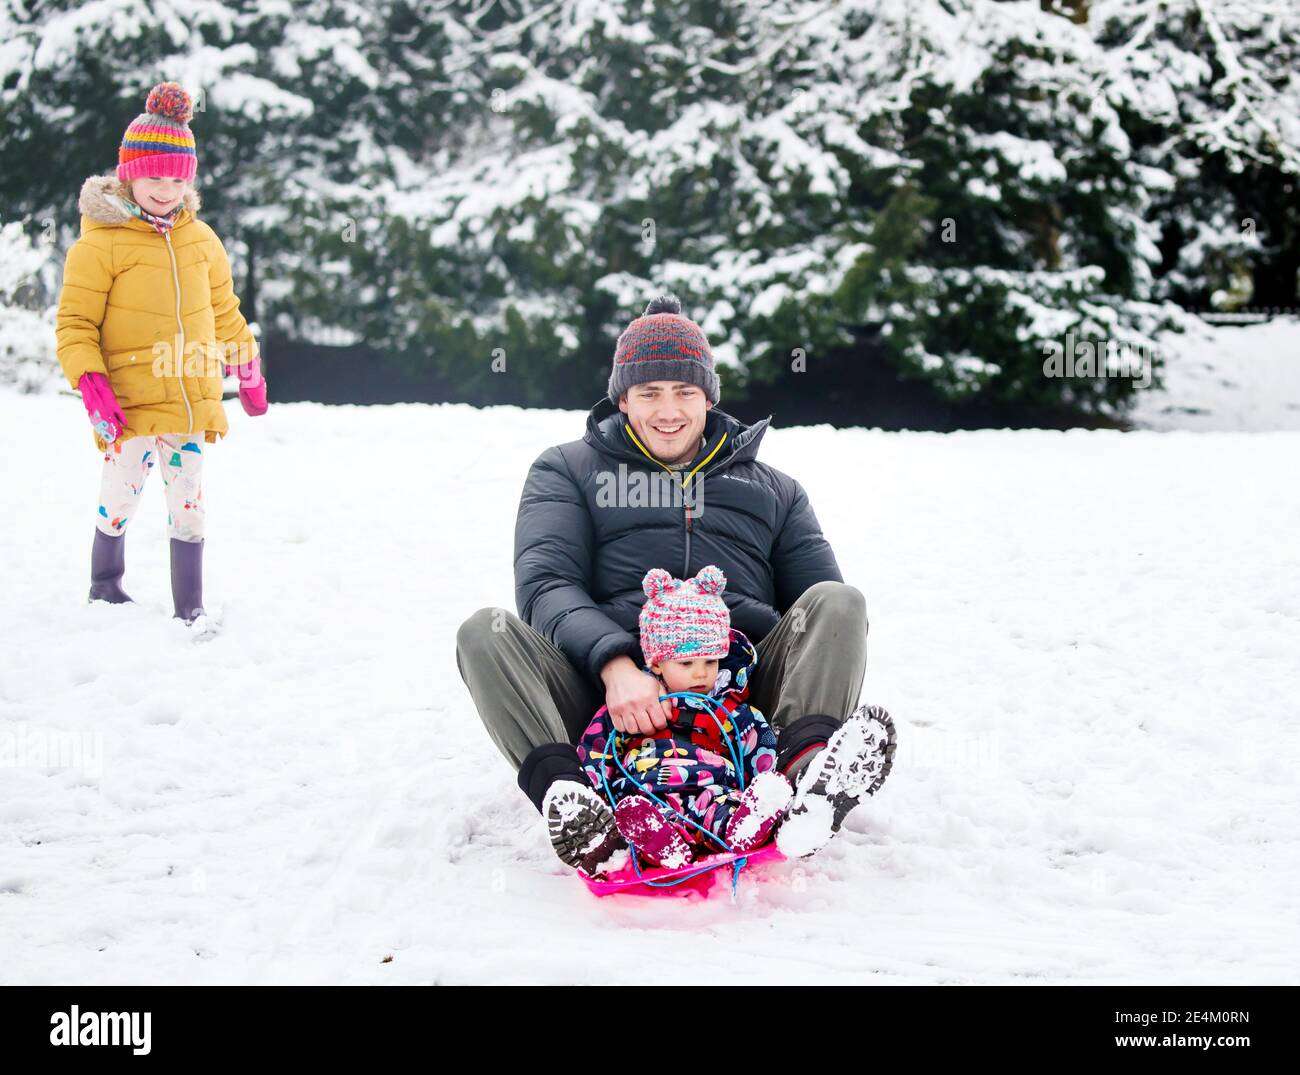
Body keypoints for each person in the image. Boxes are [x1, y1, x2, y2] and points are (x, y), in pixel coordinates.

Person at [456, 294, 895, 875]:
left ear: (709, 397)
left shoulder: (775, 490)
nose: (669, 411)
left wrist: (739, 670)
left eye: (685, 392)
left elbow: (819, 613)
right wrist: (616, 666)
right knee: (482, 633)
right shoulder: (568, 470)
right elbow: (545, 584)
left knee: (841, 602)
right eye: (649, 393)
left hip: (739, 695)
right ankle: (578, 808)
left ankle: (804, 780)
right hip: (607, 704)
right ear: (622, 398)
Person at [55, 82, 267, 624]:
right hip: (125, 403)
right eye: (154, 176)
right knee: (120, 496)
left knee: (189, 504)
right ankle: (106, 584)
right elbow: (76, 323)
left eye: (177, 178)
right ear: (129, 173)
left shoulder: (202, 241)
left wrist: (246, 364)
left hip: (190, 398)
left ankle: (189, 605)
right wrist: (90, 382)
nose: (166, 189)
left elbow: (224, 310)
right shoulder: (100, 243)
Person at [576, 566, 793, 871]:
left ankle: (743, 827)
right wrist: (597, 793)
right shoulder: (636, 703)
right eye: (687, 662)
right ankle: (661, 846)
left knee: (723, 812)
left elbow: (758, 745)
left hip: (714, 791)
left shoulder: (729, 710)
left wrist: (763, 782)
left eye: (711, 660)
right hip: (651, 793)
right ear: (658, 662)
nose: (701, 672)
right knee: (645, 816)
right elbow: (598, 747)